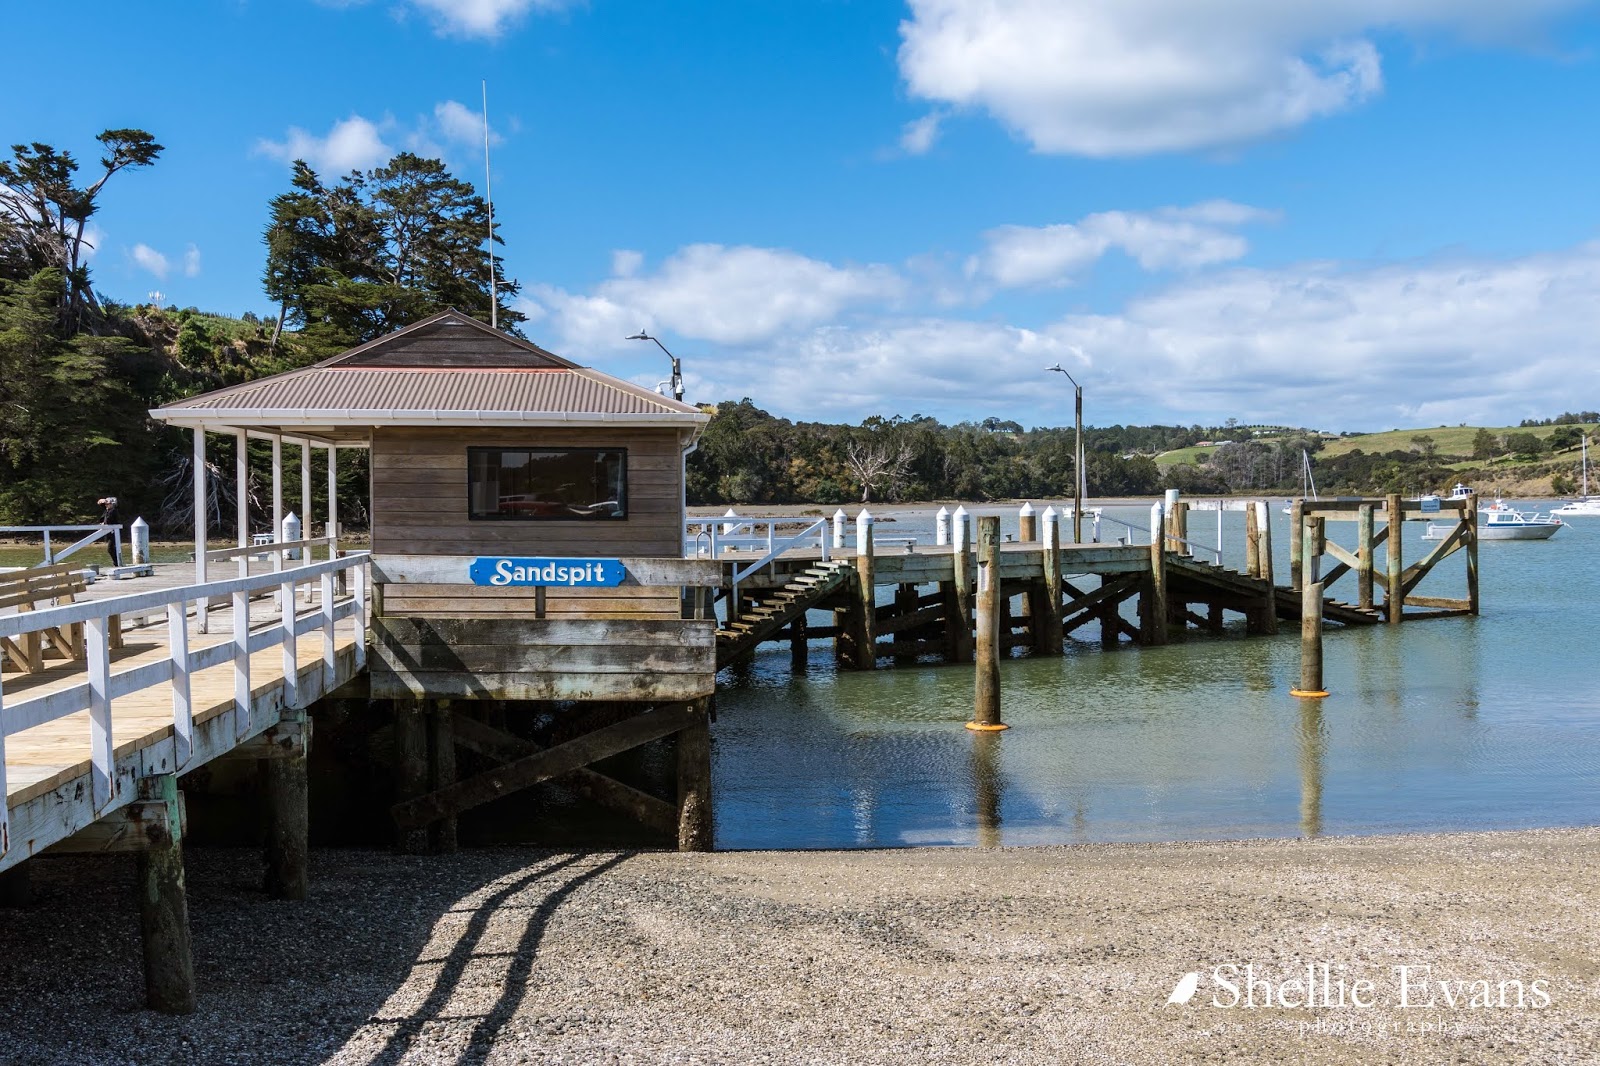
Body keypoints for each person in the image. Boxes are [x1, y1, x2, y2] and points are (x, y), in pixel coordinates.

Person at [96, 496, 121, 567]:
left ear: (112, 504)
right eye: (106, 504)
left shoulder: (113, 511)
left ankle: (117, 563)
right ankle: (117, 563)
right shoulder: (107, 510)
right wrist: (102, 500)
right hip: (109, 533)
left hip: (114, 532)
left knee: (110, 549)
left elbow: (109, 520)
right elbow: (100, 503)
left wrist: (105, 523)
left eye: (108, 504)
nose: (106, 505)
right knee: (112, 549)